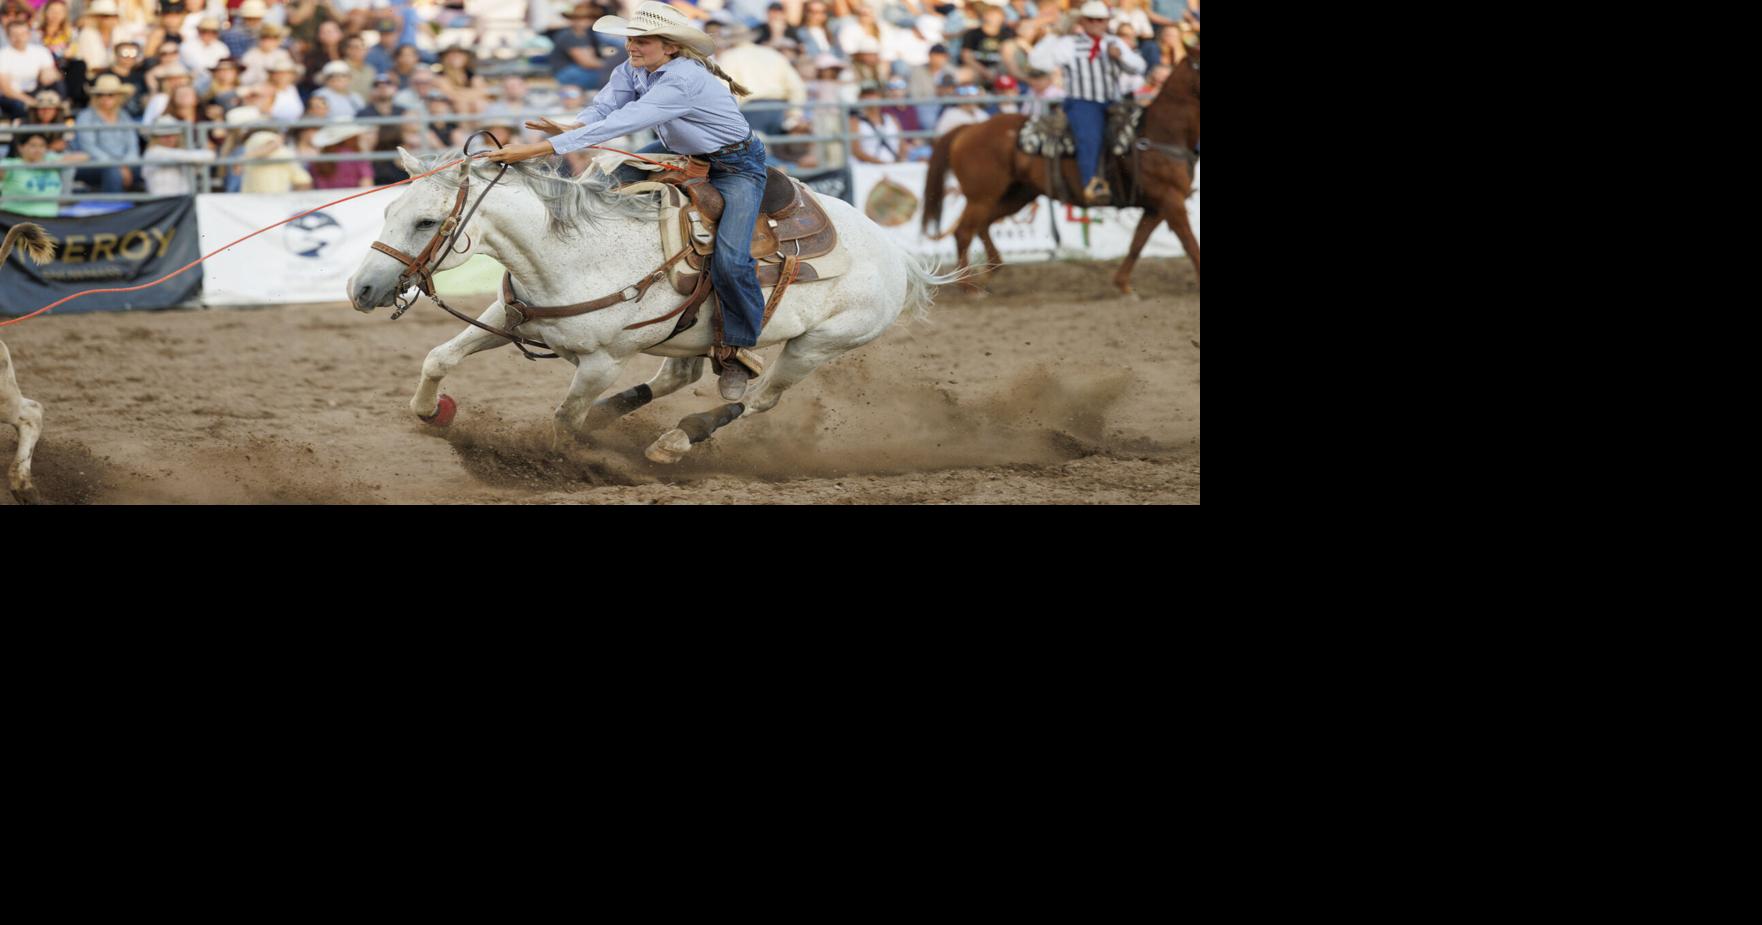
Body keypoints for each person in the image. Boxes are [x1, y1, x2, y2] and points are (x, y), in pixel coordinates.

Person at [486, 1, 770, 402]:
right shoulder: (634, 69)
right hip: (683, 152)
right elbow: (605, 107)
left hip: (736, 166)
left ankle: (737, 349)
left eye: (642, 40)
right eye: (630, 39)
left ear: (669, 47)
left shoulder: (683, 79)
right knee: (596, 189)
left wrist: (538, 148)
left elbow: (624, 120)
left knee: (732, 259)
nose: (632, 46)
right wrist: (575, 126)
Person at [1028, 0, 1142, 204]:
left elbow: (1139, 67)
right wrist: (1055, 34)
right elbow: (1037, 61)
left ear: (1106, 21)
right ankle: (1091, 183)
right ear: (1082, 21)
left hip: (1113, 102)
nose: (1096, 24)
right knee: (1089, 137)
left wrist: (1122, 58)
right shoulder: (1070, 43)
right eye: (1091, 20)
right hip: (1083, 102)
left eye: (1100, 20)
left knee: (1140, 134)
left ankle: (1136, 182)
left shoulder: (1114, 43)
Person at [72, 71, 138, 191]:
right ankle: (115, 203)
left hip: (123, 164)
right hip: (94, 164)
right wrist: (118, 167)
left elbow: (132, 146)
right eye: (100, 95)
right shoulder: (86, 116)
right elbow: (89, 148)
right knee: (113, 173)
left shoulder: (124, 116)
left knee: (148, 168)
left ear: (118, 97)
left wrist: (126, 165)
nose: (105, 98)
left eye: (110, 95)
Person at [0, 130, 87, 215]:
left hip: (49, 219)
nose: (38, 149)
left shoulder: (49, 159)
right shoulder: (11, 164)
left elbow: (84, 157)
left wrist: (48, 164)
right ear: (21, 147)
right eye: (33, 145)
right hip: (15, 218)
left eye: (42, 146)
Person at [139, 114, 213, 194]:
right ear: (155, 137)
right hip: (162, 199)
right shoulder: (153, 152)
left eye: (172, 135)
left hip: (182, 197)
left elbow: (197, 168)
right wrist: (203, 156)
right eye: (164, 136)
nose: (169, 139)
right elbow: (207, 156)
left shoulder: (179, 153)